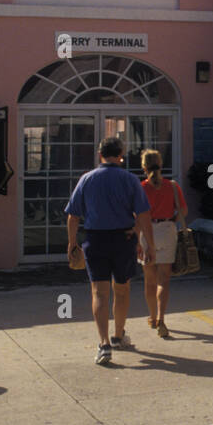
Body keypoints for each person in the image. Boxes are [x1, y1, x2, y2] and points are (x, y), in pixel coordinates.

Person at [65, 136, 154, 365]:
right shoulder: (130, 180)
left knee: (99, 292)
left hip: (95, 240)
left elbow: (73, 215)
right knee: (122, 289)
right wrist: (147, 243)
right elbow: (143, 214)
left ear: (100, 154)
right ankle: (118, 335)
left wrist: (71, 242)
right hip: (123, 239)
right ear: (120, 155)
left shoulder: (87, 179)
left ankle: (103, 344)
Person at [138, 149, 186, 339]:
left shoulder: (141, 188)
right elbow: (183, 209)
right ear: (161, 164)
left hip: (147, 231)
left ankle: (152, 317)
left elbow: (136, 214)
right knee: (163, 280)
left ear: (144, 167)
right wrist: (172, 220)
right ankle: (162, 319)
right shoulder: (172, 186)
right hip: (167, 229)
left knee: (149, 280)